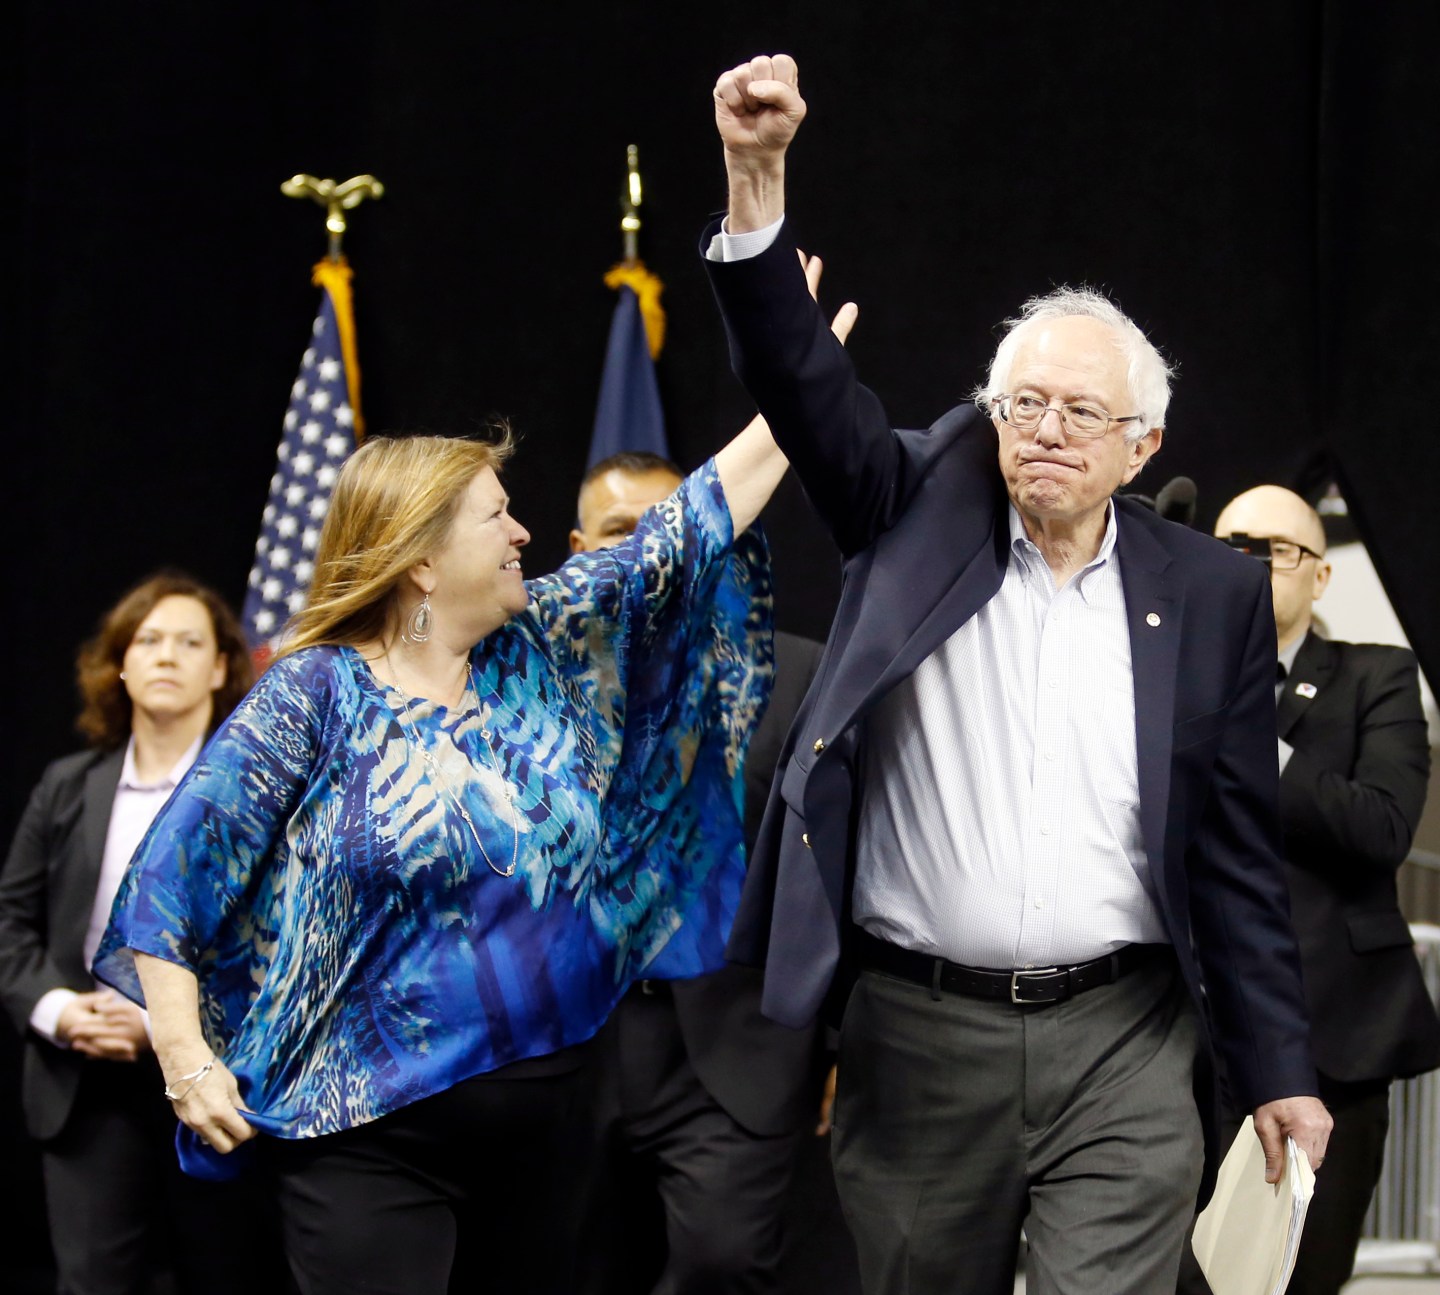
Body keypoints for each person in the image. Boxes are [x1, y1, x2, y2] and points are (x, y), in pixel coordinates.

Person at [702, 53, 1332, 1295]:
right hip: (920, 1037)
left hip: (1126, 1037)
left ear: (1143, 442)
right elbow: (802, 384)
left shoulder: (1208, 596)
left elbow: (1236, 859)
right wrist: (756, 176)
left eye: (1078, 412)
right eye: (1020, 400)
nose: (1042, 426)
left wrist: (1281, 1067)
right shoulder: (909, 507)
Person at [91, 421, 790, 1295]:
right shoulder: (317, 691)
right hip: (364, 1139)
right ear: (422, 559)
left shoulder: (537, 646)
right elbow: (170, 879)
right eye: (497, 516)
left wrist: (788, 375)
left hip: (548, 1125)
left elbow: (684, 530)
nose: (523, 534)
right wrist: (184, 1055)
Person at [571, 449, 833, 1295]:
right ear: (580, 550)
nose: (653, 549)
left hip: (735, 1047)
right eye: (621, 531)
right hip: (564, 1051)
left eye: (673, 526)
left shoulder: (803, 677)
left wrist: (838, 1042)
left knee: (722, 1266)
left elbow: (845, 873)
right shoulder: (514, 676)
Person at [1176, 485, 1439, 1295]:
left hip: (1333, 1035)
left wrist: (1253, 736)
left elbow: (1383, 827)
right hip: (1181, 1038)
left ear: (1320, 577)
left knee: (1304, 1272)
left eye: (1275, 551)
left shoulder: (1377, 676)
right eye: (1229, 545)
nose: (1248, 566)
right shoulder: (1166, 676)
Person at [0, 572, 289, 1295]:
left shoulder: (255, 794)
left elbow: (282, 940)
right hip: (85, 1083)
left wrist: (155, 1017)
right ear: (120, 664)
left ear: (222, 667)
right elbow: (11, 924)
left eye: (190, 642)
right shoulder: (66, 785)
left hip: (221, 1085)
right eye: (149, 640)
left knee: (227, 1275)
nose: (166, 655)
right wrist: (59, 1011)